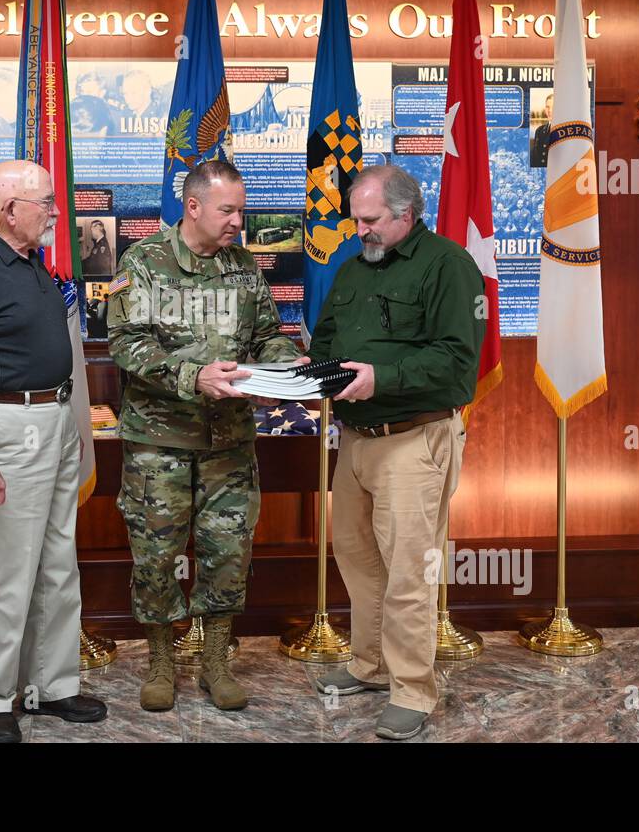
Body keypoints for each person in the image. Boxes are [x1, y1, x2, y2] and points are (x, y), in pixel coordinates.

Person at [108, 160, 301, 713]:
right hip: (158, 445)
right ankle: (162, 661)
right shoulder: (143, 262)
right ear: (193, 207)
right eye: (228, 210)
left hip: (230, 444)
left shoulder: (244, 266)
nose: (239, 221)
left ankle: (216, 660)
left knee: (227, 554)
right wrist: (193, 376)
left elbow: (266, 335)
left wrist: (287, 365)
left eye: (241, 210)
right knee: (155, 557)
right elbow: (127, 343)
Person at [306, 163, 485, 741]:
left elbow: (458, 362)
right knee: (358, 562)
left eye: (372, 220)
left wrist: (382, 377)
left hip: (413, 440)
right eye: (356, 218)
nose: (361, 229)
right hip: (355, 440)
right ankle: (370, 663)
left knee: (410, 569)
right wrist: (313, 375)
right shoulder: (354, 269)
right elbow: (328, 339)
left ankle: (413, 688)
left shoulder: (448, 267)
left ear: (406, 214)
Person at [0, 159, 106, 743]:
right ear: (11, 211)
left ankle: (51, 687)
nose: (57, 212)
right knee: (8, 573)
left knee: (57, 565)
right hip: (6, 431)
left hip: (51, 422)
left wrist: (68, 420)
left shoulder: (30, 262)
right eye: (47, 203)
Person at [530, 92, 553, 167]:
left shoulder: (566, 131)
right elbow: (535, 157)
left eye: (553, 107)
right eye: (547, 107)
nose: (549, 110)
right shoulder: (539, 130)